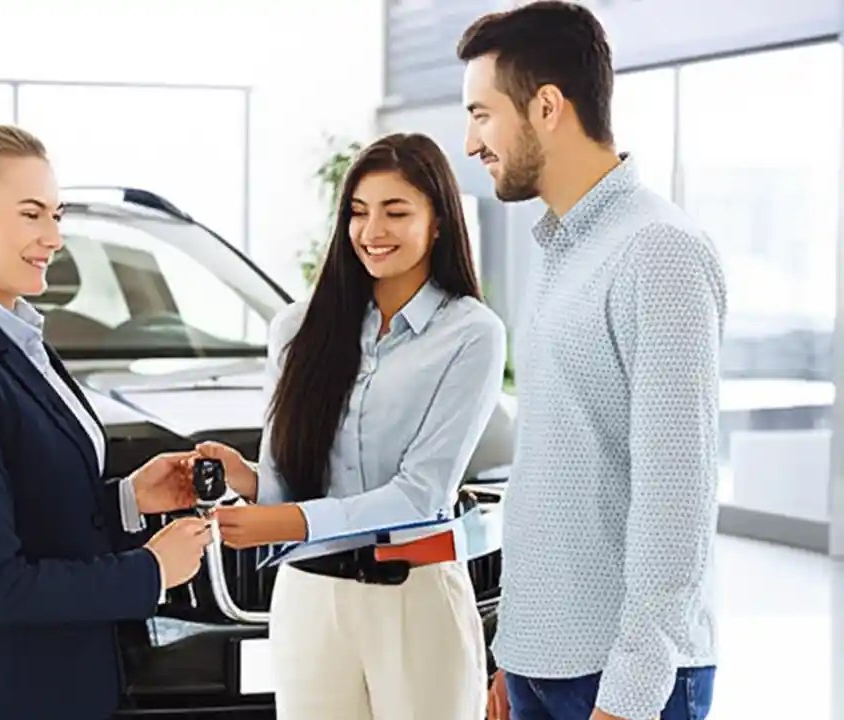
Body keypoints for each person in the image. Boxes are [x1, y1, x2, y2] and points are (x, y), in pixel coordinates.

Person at [0, 119, 213, 720]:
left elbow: (32, 516)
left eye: (57, 215)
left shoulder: (12, 335)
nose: (54, 237)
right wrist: (150, 571)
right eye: (31, 214)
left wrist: (130, 500)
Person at [457, 4, 726, 720]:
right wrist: (512, 656)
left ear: (547, 106)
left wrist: (632, 695)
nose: (469, 142)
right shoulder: (562, 250)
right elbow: (551, 477)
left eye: (482, 115)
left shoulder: (659, 250)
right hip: (542, 664)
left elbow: (678, 496)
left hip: (623, 681)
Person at [195, 132, 506, 719]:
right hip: (310, 601)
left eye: (396, 211)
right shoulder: (297, 329)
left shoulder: (471, 334)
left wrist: (285, 520)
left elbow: (421, 494)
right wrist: (251, 482)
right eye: (358, 212)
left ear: (437, 222)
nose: (371, 231)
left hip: (414, 601)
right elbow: (293, 478)